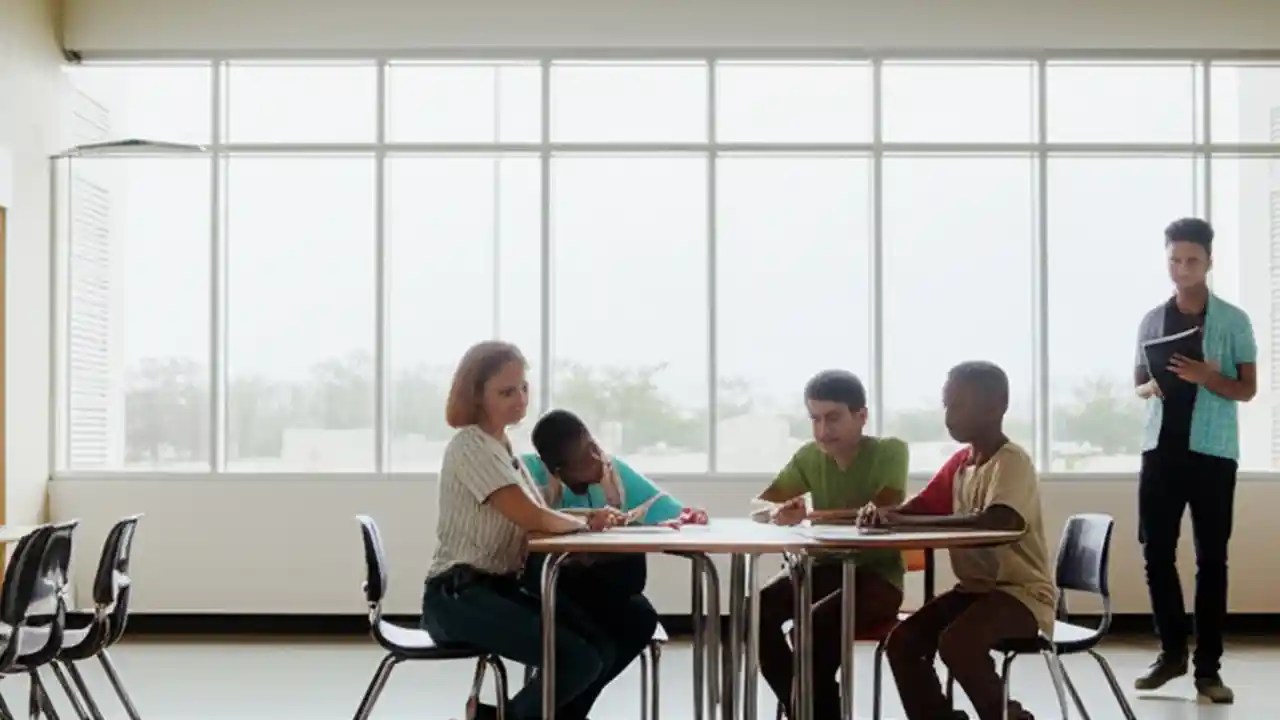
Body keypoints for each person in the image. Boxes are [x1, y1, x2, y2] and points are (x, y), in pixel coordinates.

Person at [420, 341, 644, 720]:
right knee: (577, 659)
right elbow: (532, 517)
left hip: (495, 589)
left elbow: (537, 512)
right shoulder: (470, 446)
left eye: (523, 387)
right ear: (476, 395)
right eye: (506, 392)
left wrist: (591, 518)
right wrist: (583, 522)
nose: (520, 399)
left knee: (601, 648)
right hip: (457, 597)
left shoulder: (500, 446)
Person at [866, 361, 1055, 720]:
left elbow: (1001, 520)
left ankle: (1011, 717)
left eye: (959, 405)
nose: (949, 416)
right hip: (974, 591)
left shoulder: (1011, 461)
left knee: (958, 643)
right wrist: (886, 516)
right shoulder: (961, 464)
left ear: (995, 406)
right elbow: (920, 509)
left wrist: (908, 521)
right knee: (904, 643)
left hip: (1022, 595)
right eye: (946, 405)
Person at [1132, 218, 1256, 703]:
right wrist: (1154, 386)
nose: (1182, 269)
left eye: (1191, 260)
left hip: (1213, 454)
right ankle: (1170, 654)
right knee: (1156, 555)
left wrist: (1208, 376)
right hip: (1161, 452)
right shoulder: (1151, 320)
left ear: (1209, 262)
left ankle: (1208, 669)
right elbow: (1138, 383)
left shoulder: (1233, 321)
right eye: (1174, 260)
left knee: (1212, 560)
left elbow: (1247, 389)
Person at [750, 370, 908, 719]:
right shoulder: (808, 456)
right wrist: (779, 512)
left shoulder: (890, 452)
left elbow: (883, 512)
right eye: (815, 419)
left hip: (878, 577)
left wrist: (810, 516)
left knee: (816, 624)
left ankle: (809, 710)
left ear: (861, 416)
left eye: (833, 418)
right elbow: (761, 506)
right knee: (755, 609)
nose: (823, 430)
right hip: (822, 569)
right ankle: (806, 709)